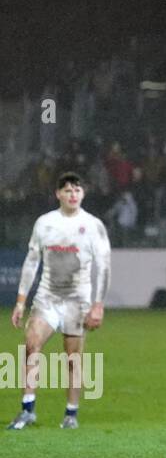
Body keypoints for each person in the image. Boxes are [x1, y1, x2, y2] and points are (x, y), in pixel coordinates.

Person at [8, 173, 111, 431]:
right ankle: (27, 409)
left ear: (83, 193)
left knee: (73, 358)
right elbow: (32, 262)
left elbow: (104, 266)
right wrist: (21, 302)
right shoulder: (45, 223)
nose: (72, 194)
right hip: (47, 297)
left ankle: (70, 414)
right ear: (58, 194)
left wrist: (97, 305)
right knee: (32, 345)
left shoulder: (93, 224)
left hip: (77, 300)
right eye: (67, 190)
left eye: (77, 190)